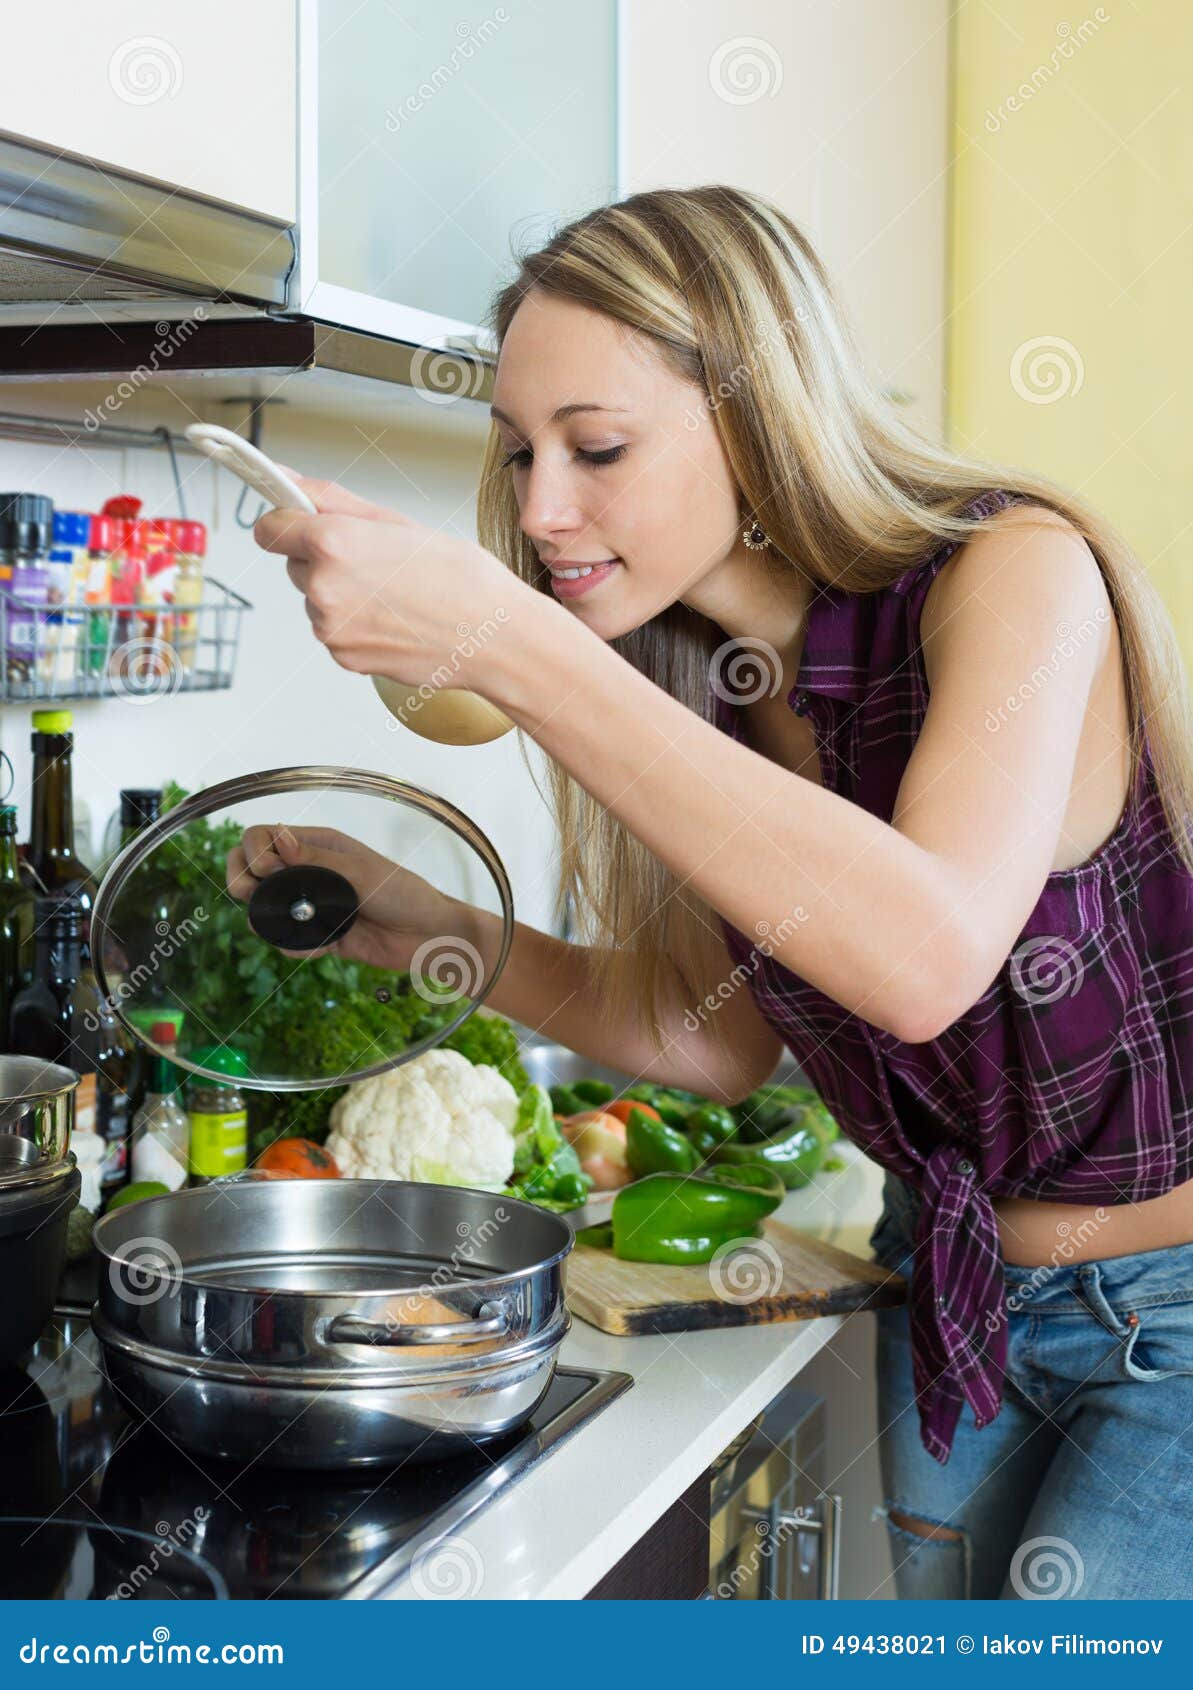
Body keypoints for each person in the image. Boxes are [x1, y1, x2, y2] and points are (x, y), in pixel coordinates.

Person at [242, 185, 1193, 1599]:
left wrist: (514, 645)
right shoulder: (708, 684)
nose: (541, 509)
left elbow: (923, 955)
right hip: (955, 1297)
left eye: (598, 447)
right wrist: (438, 930)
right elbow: (704, 1034)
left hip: (1170, 1322)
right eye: (518, 452)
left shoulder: (1016, 574)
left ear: (759, 418)